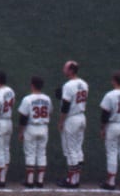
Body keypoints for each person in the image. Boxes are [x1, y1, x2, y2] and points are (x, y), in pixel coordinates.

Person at [58, 60, 90, 188]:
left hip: (71, 119)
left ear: (71, 71)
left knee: (71, 149)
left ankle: (71, 180)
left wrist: (61, 121)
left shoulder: (68, 85)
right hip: (82, 117)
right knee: (77, 148)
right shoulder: (84, 83)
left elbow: (65, 106)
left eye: (65, 68)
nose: (63, 70)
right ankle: (76, 179)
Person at [18, 76, 53, 189]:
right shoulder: (47, 99)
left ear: (32, 85)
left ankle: (29, 181)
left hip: (31, 127)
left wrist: (21, 132)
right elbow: (50, 112)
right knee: (42, 154)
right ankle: (40, 181)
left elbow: (23, 118)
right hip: (43, 127)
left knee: (30, 154)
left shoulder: (27, 99)